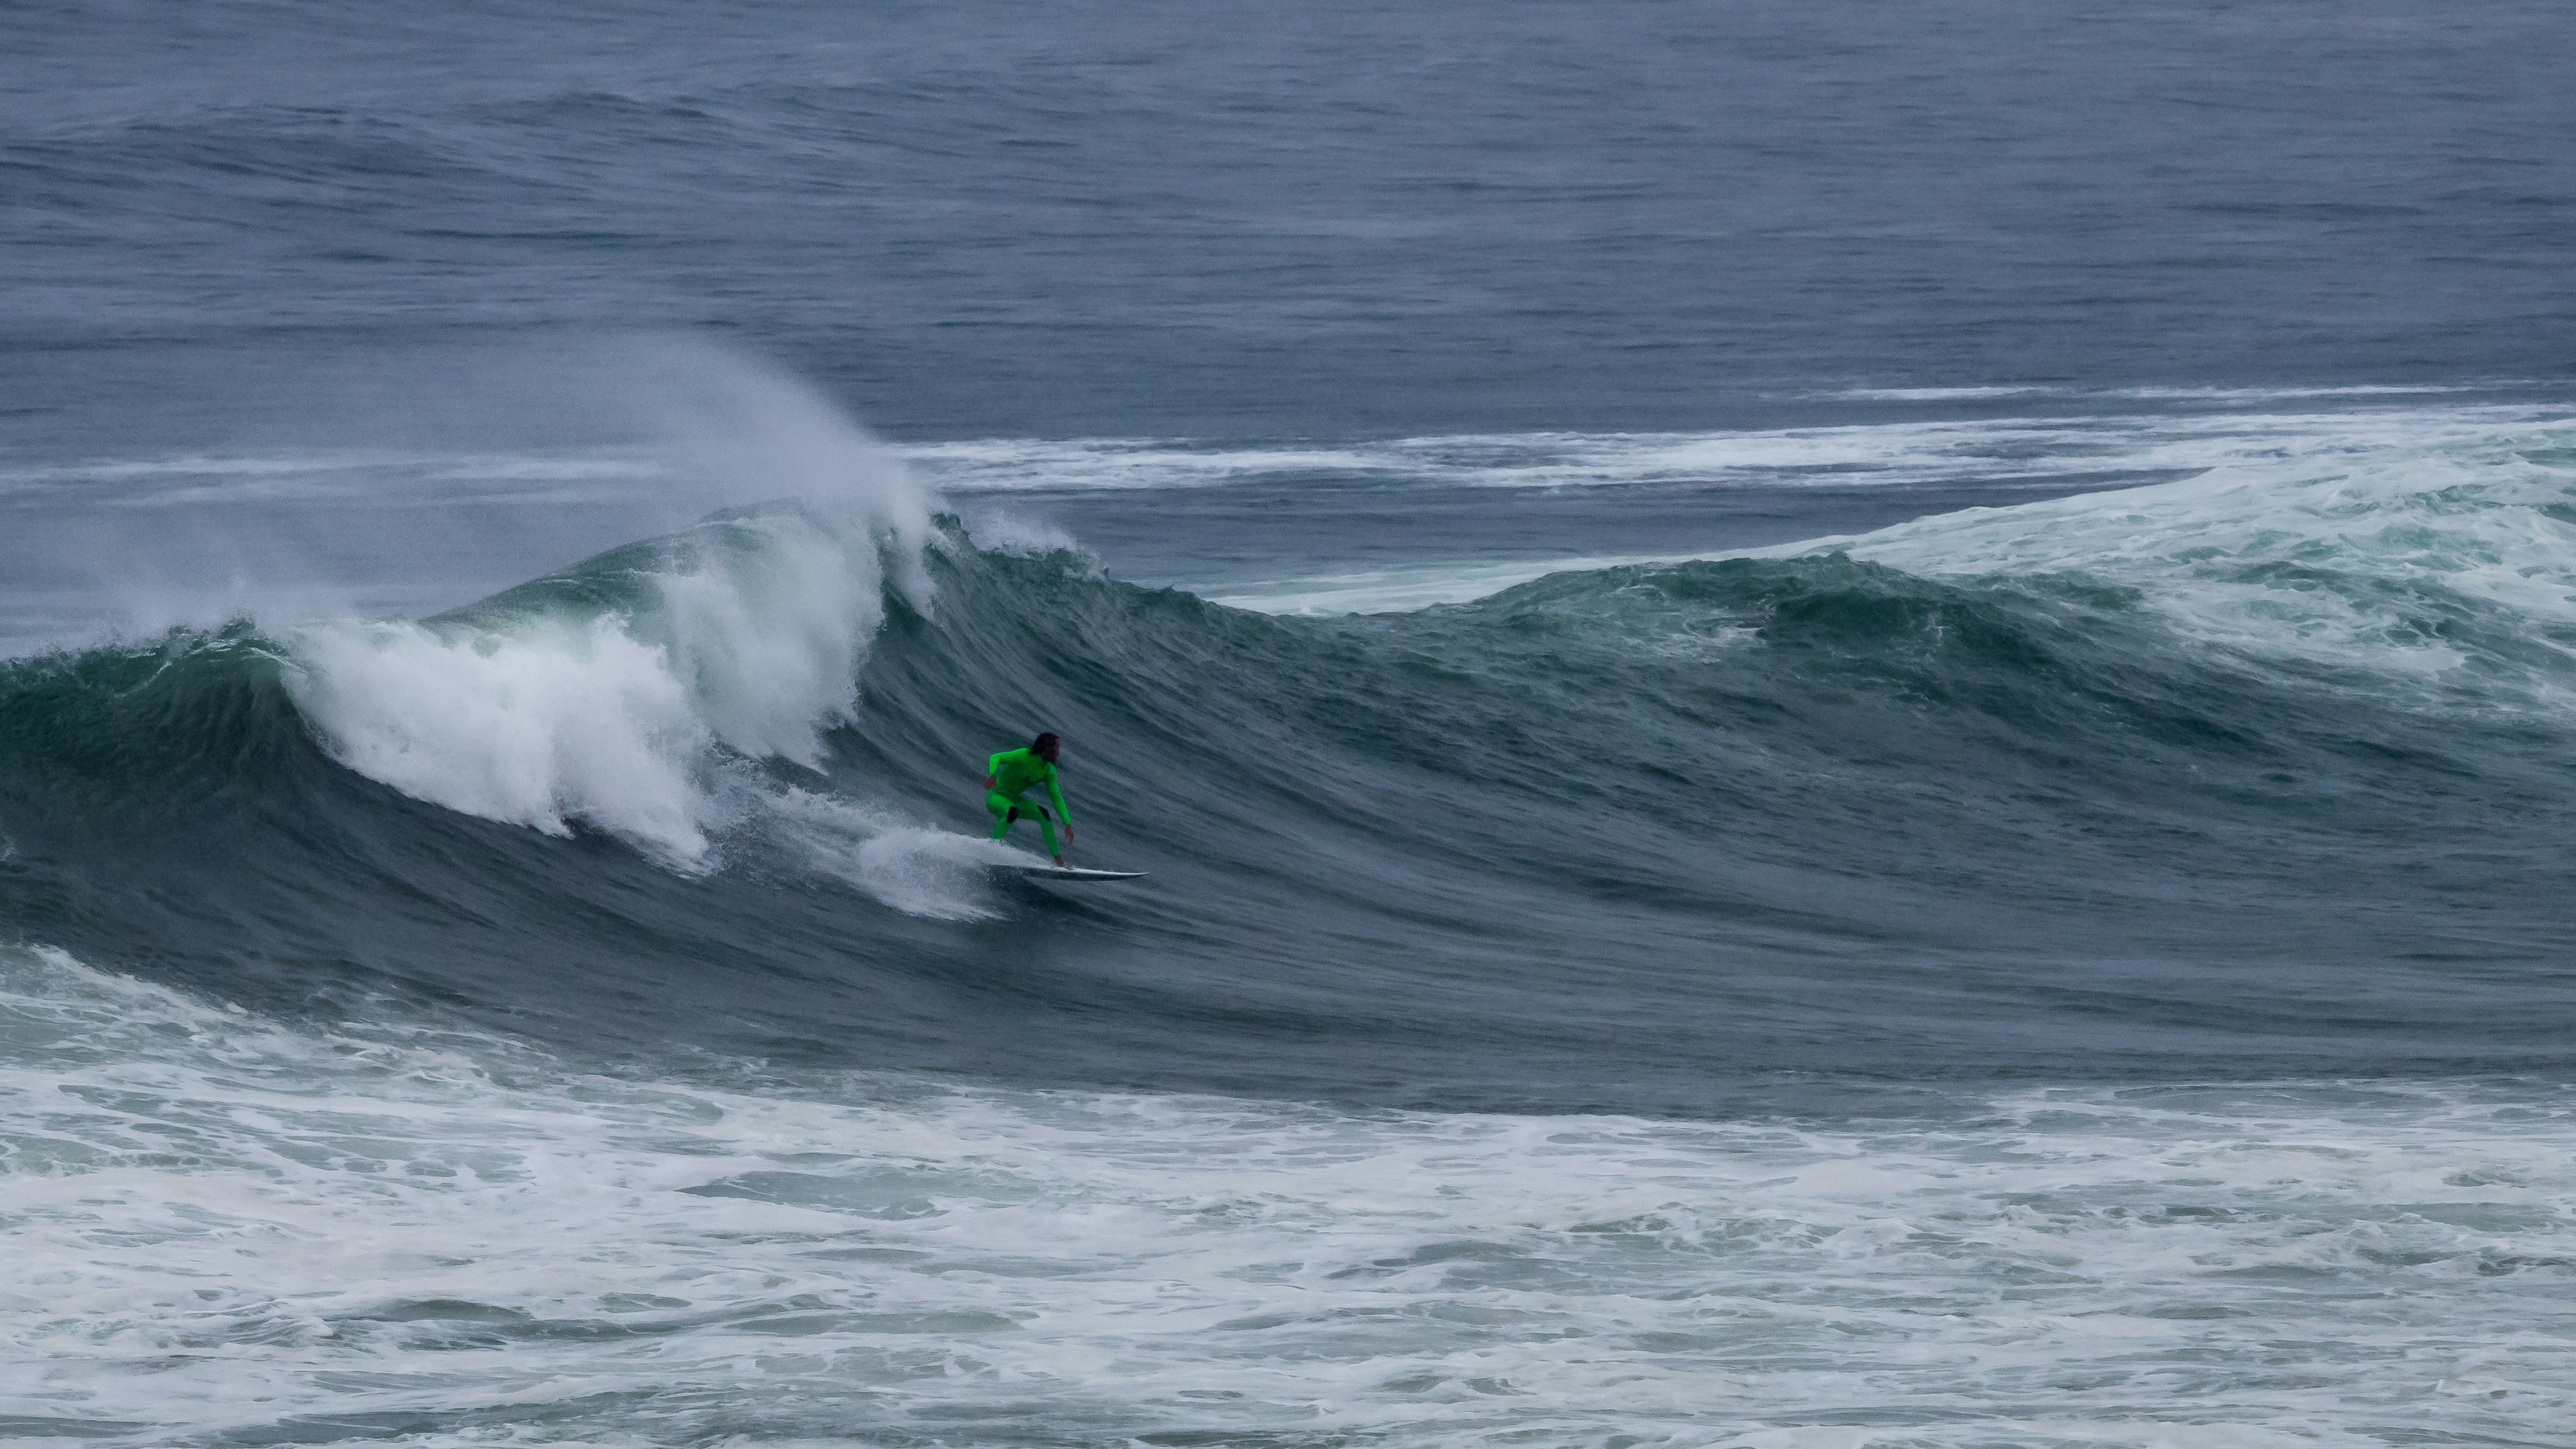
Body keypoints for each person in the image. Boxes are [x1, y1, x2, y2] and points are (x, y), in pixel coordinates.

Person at [985, 731, 1074, 865]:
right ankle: (989, 850)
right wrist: (993, 774)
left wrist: (1066, 821)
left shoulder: (1048, 770)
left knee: (1043, 814)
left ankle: (1059, 861)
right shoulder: (1023, 755)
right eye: (1056, 749)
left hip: (1014, 799)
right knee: (1012, 812)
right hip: (996, 796)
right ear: (1046, 748)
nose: (1058, 753)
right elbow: (996, 757)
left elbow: (1056, 798)